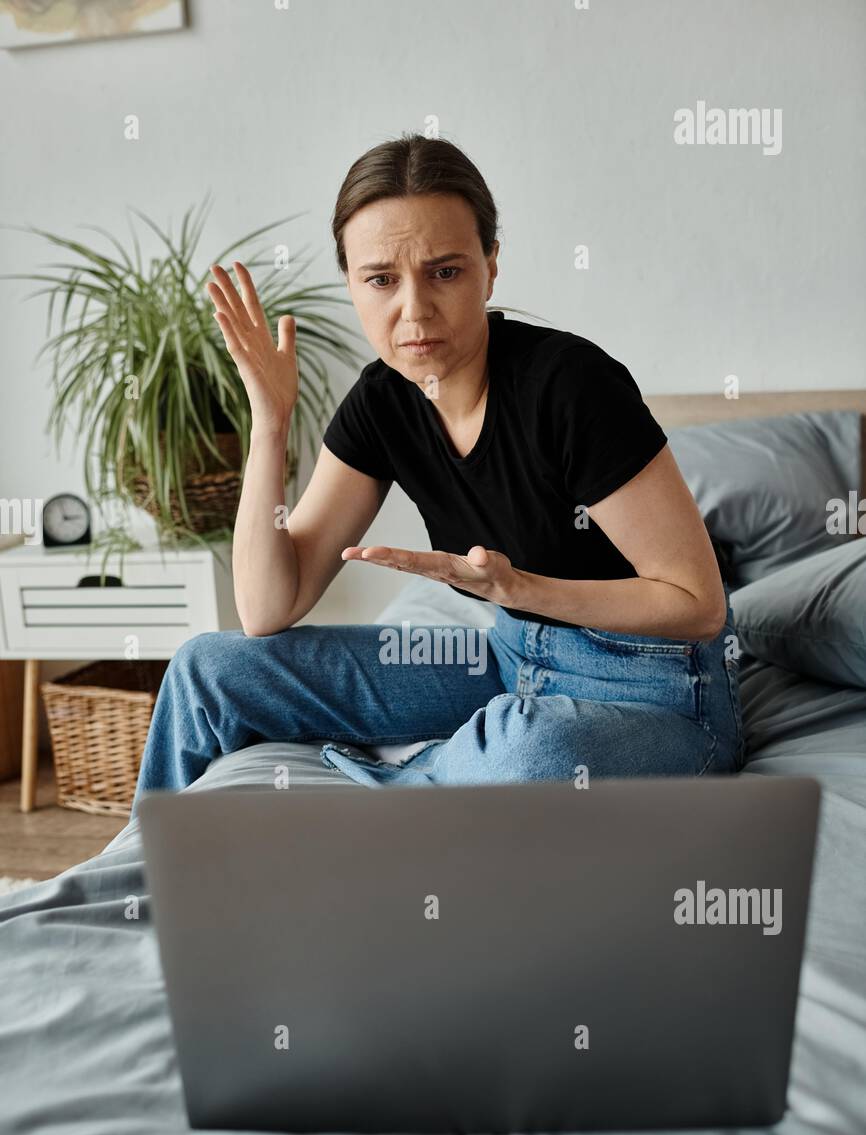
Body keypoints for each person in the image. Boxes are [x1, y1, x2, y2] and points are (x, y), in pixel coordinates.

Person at [131, 134, 744, 808]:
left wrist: (519, 588)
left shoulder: (572, 385)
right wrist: (270, 422)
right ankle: (153, 891)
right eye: (381, 280)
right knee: (208, 669)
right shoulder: (383, 398)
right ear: (351, 285)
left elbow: (698, 605)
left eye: (445, 272)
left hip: (656, 690)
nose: (414, 309)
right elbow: (268, 605)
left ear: (490, 266)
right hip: (511, 661)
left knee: (528, 747)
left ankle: (394, 788)